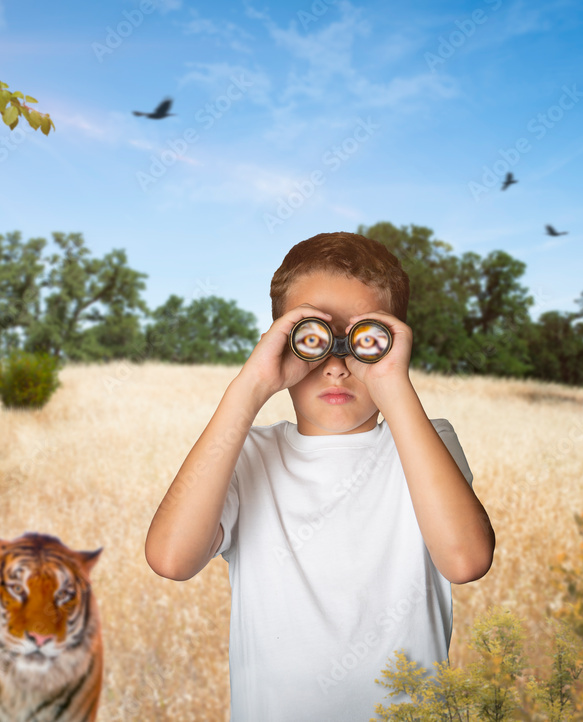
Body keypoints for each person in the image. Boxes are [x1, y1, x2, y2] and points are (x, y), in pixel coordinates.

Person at [145, 231, 495, 721]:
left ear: (391, 342)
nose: (336, 366)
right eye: (312, 339)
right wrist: (252, 386)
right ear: (281, 341)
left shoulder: (425, 443)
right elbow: (170, 558)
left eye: (364, 340)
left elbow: (465, 560)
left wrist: (392, 383)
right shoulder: (247, 455)